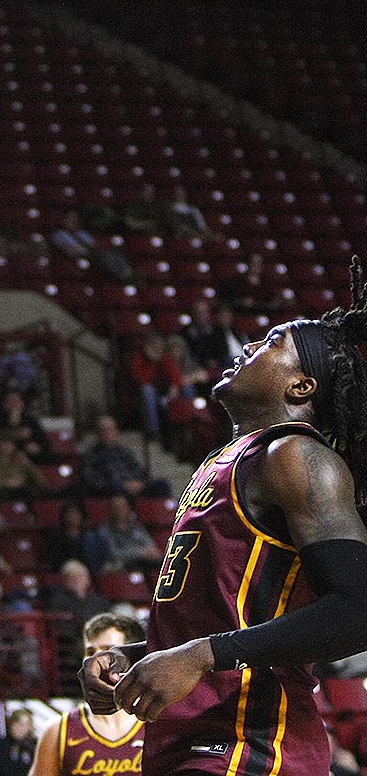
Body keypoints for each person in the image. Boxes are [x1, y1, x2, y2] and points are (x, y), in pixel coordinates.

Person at [79, 258, 367, 776]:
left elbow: (358, 610)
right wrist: (146, 658)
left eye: (271, 344)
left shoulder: (296, 458)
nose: (248, 348)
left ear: (301, 387)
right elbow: (227, 620)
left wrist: (198, 657)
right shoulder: (230, 460)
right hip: (193, 742)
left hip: (252, 745)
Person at [28, 613, 145, 776]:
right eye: (90, 652)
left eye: (108, 650)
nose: (97, 659)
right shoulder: (59, 730)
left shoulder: (158, 723)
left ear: (133, 658)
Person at [79, 415, 170, 498]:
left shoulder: (124, 453)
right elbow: (92, 480)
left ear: (116, 431)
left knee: (161, 485)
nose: (108, 433)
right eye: (104, 430)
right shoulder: (91, 455)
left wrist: (139, 483)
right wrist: (121, 484)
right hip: (112, 489)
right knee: (117, 494)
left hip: (134, 485)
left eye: (111, 429)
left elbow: (140, 471)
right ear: (98, 433)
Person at [95, 494, 162, 572]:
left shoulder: (136, 527)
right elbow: (114, 554)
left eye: (123, 506)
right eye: (116, 507)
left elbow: (150, 546)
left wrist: (149, 553)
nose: (120, 510)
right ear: (111, 510)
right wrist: (139, 553)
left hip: (142, 562)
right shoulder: (104, 531)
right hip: (123, 565)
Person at [0, 707, 37, 776]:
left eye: (25, 724)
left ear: (30, 727)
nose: (21, 728)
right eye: (18, 723)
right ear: (11, 725)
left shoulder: (33, 747)